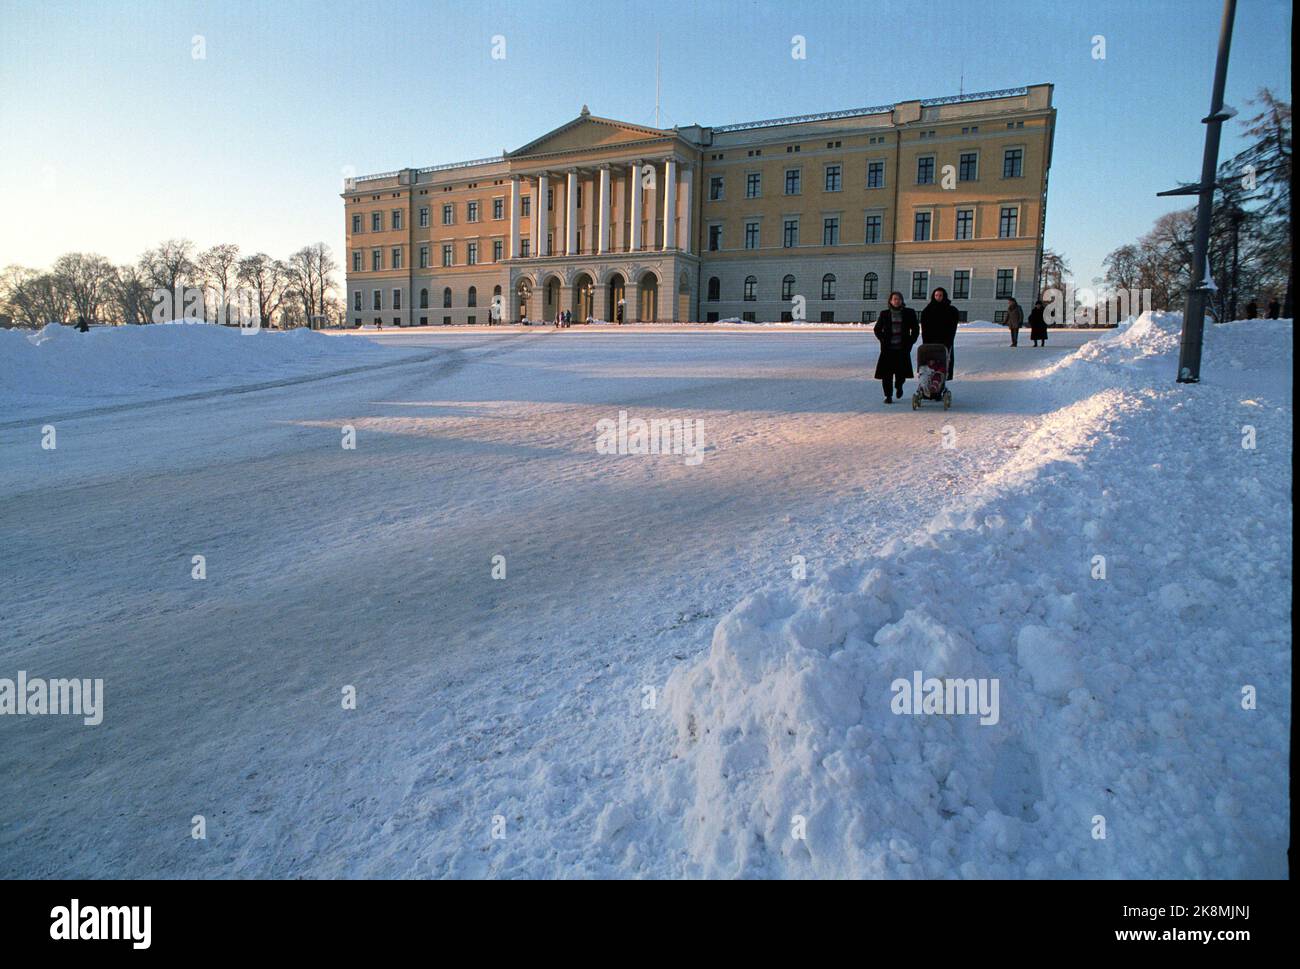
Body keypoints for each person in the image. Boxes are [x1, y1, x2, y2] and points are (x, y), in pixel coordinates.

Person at [873, 291, 919, 404]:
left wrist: (911, 342)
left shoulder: (909, 313)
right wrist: (883, 340)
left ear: (902, 301)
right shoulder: (884, 314)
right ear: (890, 301)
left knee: (901, 373)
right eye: (894, 299)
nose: (896, 301)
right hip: (888, 350)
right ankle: (888, 395)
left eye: (898, 299)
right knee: (886, 375)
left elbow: (915, 329)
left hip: (902, 349)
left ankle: (899, 386)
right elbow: (877, 329)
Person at [919, 287, 959, 379]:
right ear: (933, 296)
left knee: (944, 364)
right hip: (930, 342)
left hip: (945, 341)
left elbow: (952, 328)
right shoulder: (927, 310)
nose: (938, 297)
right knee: (931, 365)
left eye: (940, 295)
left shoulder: (951, 310)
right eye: (936, 295)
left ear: (944, 296)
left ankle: (941, 383)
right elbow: (925, 328)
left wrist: (949, 341)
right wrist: (925, 343)